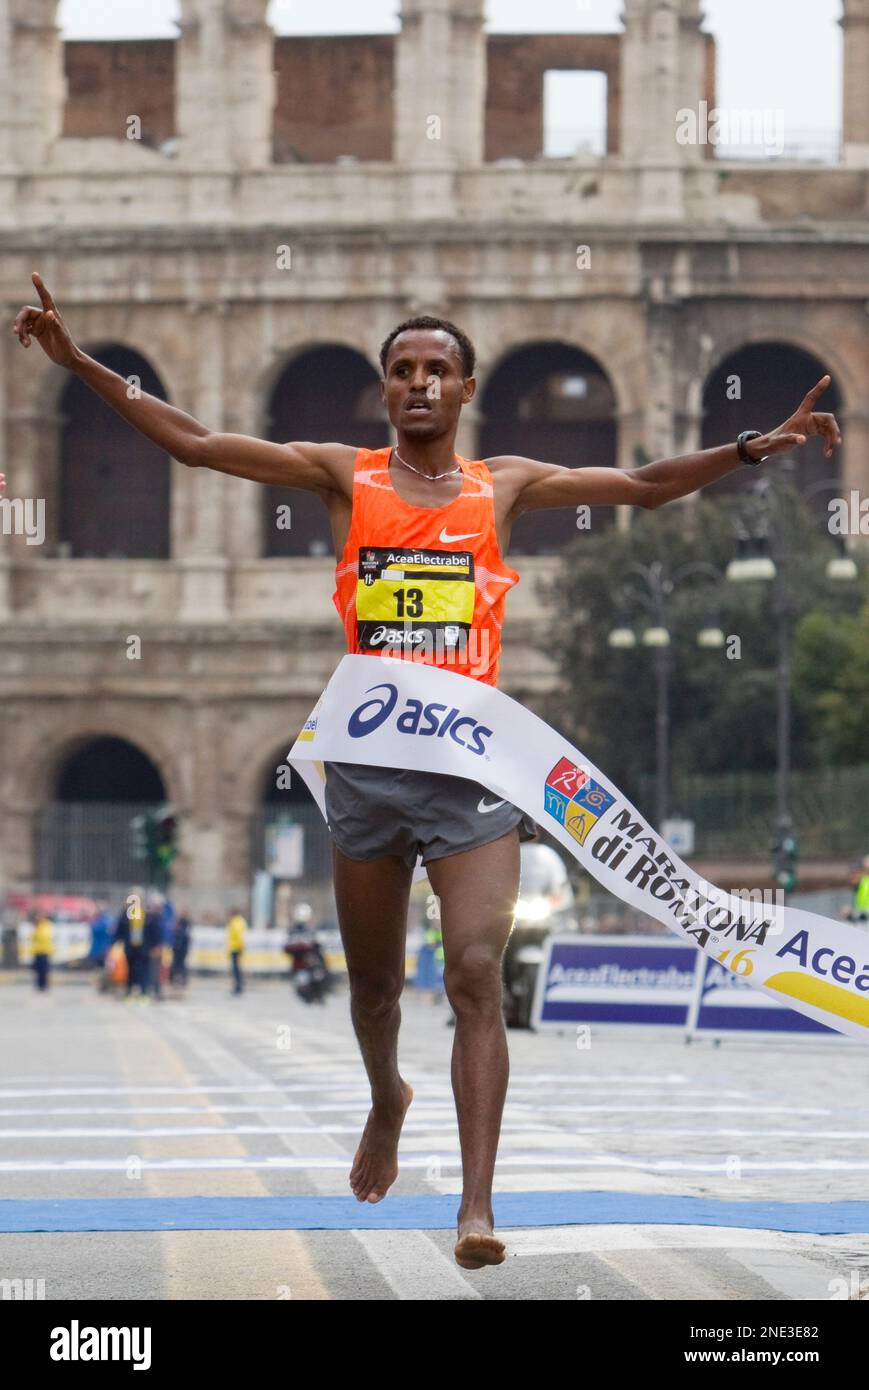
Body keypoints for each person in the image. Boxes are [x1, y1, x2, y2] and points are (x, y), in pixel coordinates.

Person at [11, 273, 842, 1271]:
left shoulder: (507, 485)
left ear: (464, 388)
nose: (416, 385)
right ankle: (384, 1098)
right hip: (365, 769)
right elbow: (193, 442)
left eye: (434, 370)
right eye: (400, 371)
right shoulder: (340, 475)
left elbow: (640, 484)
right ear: (383, 391)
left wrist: (749, 448)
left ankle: (475, 1205)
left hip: (471, 772)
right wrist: (80, 363)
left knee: (474, 973)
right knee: (372, 995)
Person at [115, 888, 147, 999]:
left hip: (142, 947)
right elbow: (119, 930)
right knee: (129, 969)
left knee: (142, 970)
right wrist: (116, 942)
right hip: (130, 947)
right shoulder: (125, 914)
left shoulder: (145, 913)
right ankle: (129, 991)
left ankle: (142, 992)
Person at [226, 907, 247, 995]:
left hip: (235, 948)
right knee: (236, 968)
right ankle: (238, 986)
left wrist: (240, 946)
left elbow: (239, 935)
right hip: (235, 947)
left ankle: (238, 987)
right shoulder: (239, 921)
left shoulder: (236, 922)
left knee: (236, 969)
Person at [30, 912, 54, 992]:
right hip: (37, 951)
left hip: (45, 951)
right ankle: (39, 985)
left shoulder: (47, 925)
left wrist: (38, 929)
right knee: (38, 970)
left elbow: (44, 936)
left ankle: (44, 985)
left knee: (44, 970)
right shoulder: (36, 926)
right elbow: (33, 938)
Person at [170, 907, 192, 988]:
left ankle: (182, 979)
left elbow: (186, 935)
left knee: (181, 963)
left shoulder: (187, 923)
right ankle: (174, 979)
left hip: (183, 947)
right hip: (176, 947)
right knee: (175, 963)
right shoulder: (178, 922)